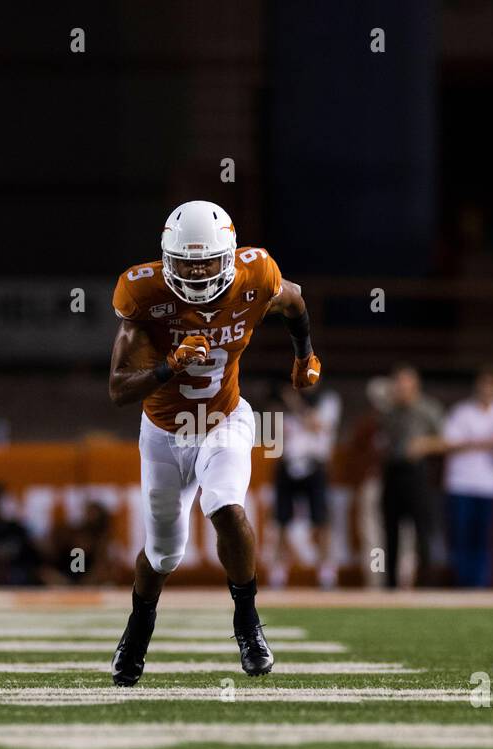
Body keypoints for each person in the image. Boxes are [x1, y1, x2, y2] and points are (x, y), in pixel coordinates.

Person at [107, 200, 322, 685]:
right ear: (167, 260)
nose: (198, 272)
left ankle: (247, 622)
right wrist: (168, 367)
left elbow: (295, 301)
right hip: (163, 432)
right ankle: (139, 626)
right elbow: (119, 390)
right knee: (164, 553)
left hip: (226, 420)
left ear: (228, 256)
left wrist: (305, 355)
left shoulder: (256, 275)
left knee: (226, 505)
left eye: (206, 261)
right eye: (186, 263)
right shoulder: (143, 292)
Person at [412, 367, 493, 587]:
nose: (488, 390)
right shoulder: (462, 412)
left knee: (484, 539)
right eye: (484, 384)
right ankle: (462, 583)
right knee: (461, 538)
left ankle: (480, 585)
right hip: (461, 483)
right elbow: (448, 443)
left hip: (490, 485)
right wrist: (484, 443)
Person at [268, 386, 341, 589]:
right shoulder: (282, 404)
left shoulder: (327, 400)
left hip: (314, 464)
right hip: (288, 464)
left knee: (321, 520)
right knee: (281, 520)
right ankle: (278, 572)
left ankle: (326, 572)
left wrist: (295, 403)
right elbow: (274, 432)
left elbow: (318, 425)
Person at [377, 365, 443, 587]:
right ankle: (390, 585)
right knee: (390, 530)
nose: (401, 390)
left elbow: (445, 440)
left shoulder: (429, 409)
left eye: (405, 385)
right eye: (398, 385)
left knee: (422, 531)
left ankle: (426, 584)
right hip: (392, 472)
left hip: (418, 473)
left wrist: (424, 445)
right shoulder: (389, 412)